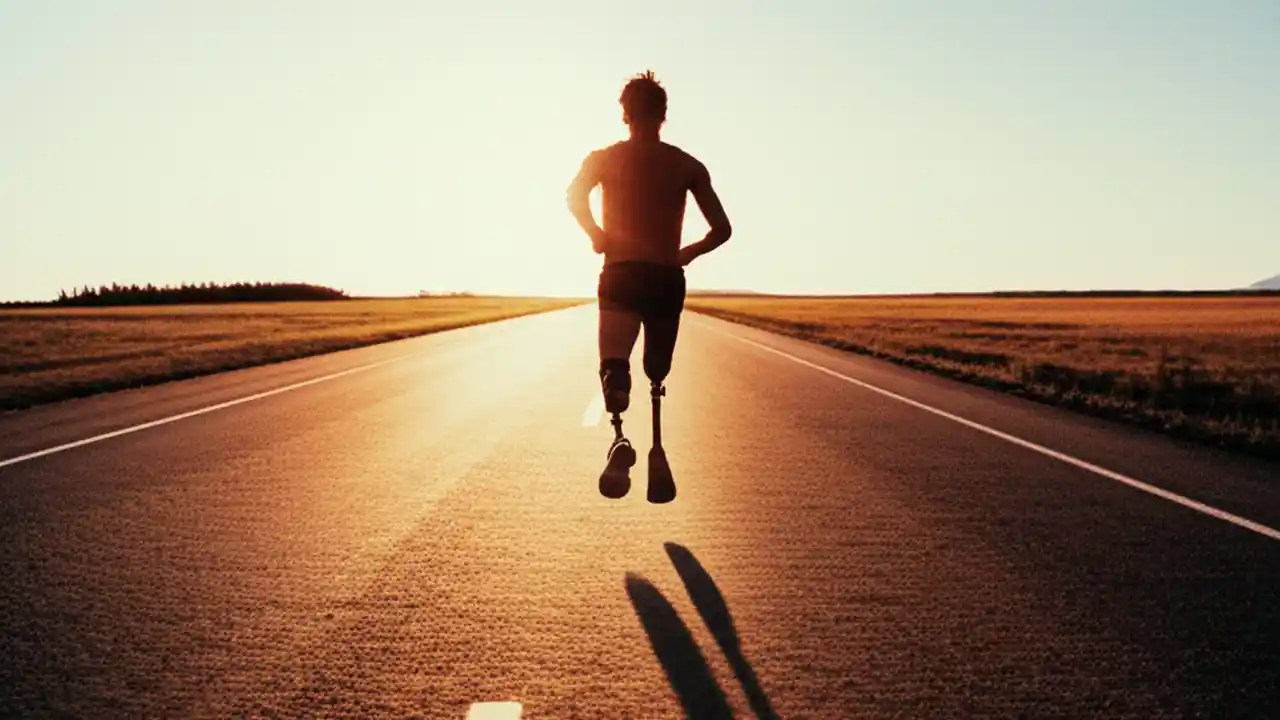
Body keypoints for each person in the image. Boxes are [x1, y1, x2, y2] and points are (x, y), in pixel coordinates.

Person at [566, 70, 732, 499]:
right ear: (663, 115)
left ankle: (619, 436)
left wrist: (596, 234)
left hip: (621, 273)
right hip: (664, 278)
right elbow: (722, 229)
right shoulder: (687, 165)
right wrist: (686, 253)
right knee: (656, 369)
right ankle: (657, 438)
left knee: (614, 367)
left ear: (625, 113)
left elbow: (574, 196)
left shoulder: (603, 159)